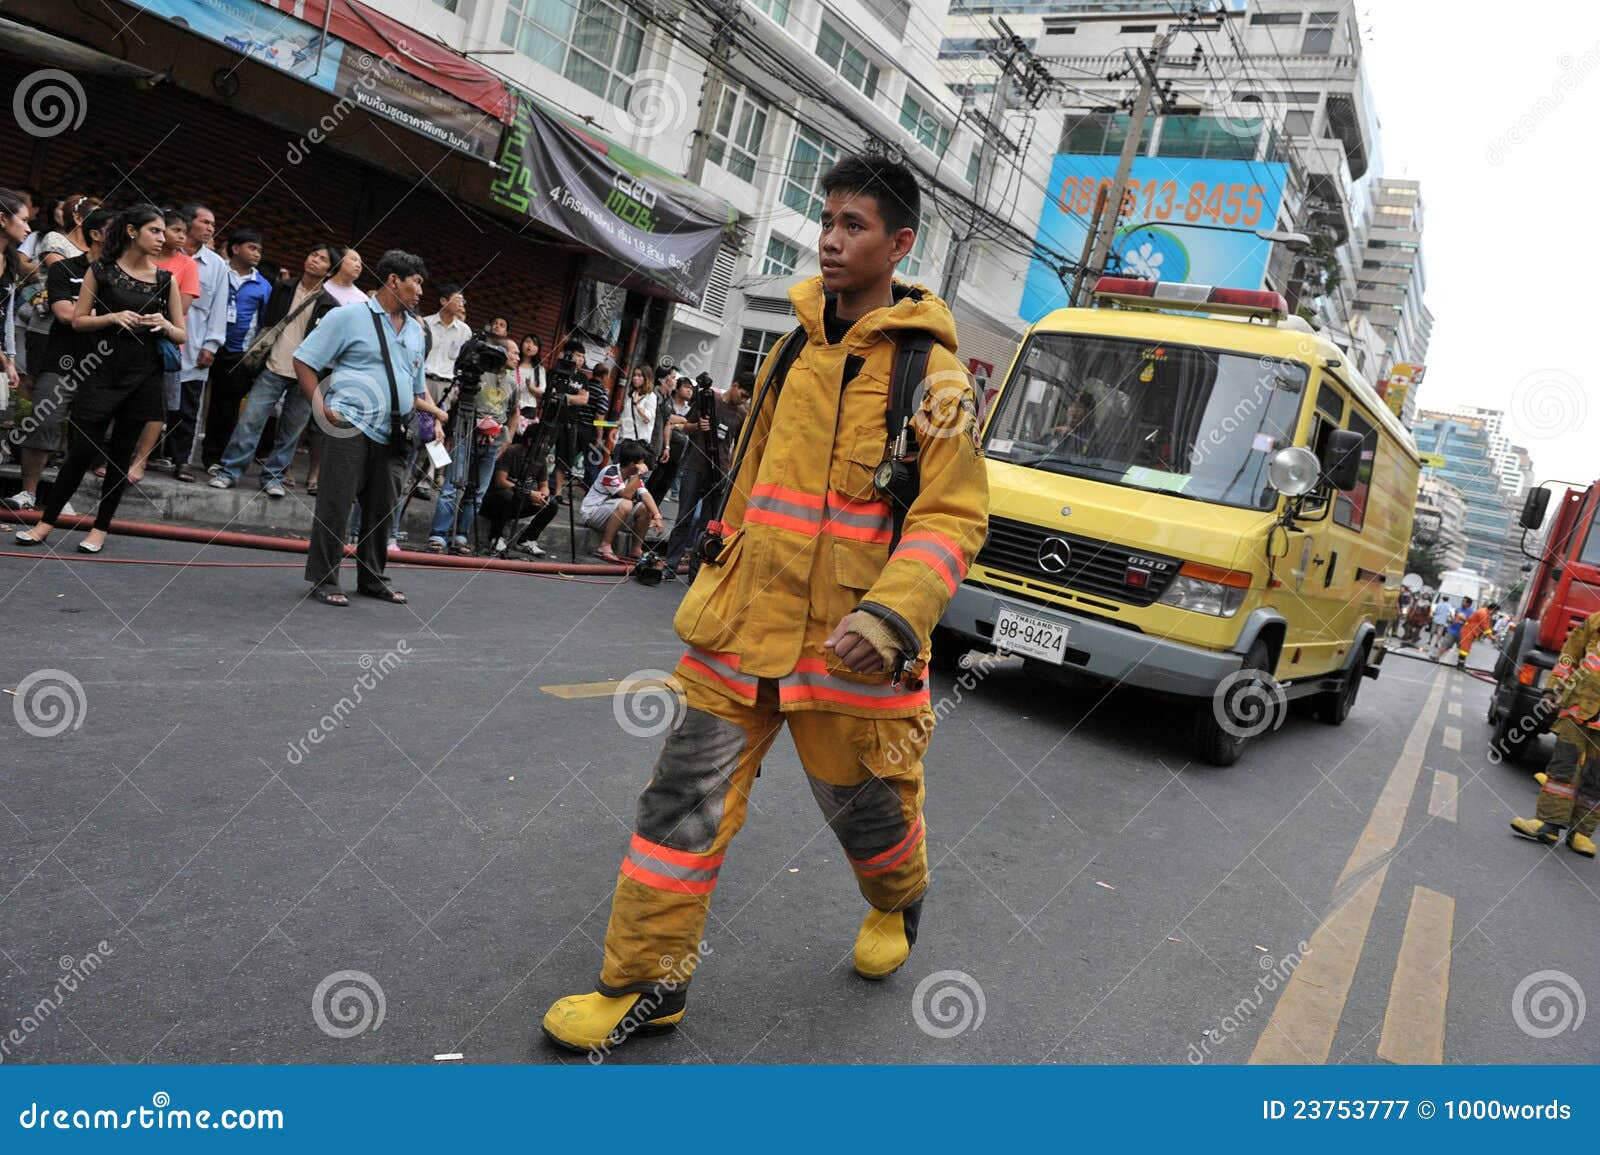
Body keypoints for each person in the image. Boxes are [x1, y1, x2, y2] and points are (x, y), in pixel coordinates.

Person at [542, 153, 989, 1052]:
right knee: (679, 807)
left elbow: (951, 516)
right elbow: (747, 490)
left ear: (899, 244)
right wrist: (709, 567)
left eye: (853, 225)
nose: (829, 239)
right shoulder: (788, 350)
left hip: (852, 651)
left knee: (869, 813)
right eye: (826, 220)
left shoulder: (934, 382)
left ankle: (899, 904)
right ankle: (645, 985)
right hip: (740, 632)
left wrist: (892, 614)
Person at [15, 204, 186, 555]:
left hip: (144, 375)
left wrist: (164, 325)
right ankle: (46, 522)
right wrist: (112, 317)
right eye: (155, 230)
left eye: (163, 231)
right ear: (132, 232)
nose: (162, 238)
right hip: (101, 370)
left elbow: (182, 334)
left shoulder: (166, 279)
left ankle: (100, 527)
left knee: (120, 456)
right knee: (81, 451)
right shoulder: (101, 270)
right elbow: (77, 321)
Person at [292, 249, 447, 607]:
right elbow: (304, 359)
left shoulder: (415, 331)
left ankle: (373, 578)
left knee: (383, 509)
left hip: (395, 431)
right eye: (416, 283)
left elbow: (416, 386)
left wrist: (432, 421)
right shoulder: (348, 316)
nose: (420, 291)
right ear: (393, 280)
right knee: (336, 503)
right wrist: (320, 405)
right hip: (350, 423)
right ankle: (325, 578)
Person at [3, 205, 113, 513]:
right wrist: (109, 314)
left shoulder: (121, 275)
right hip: (62, 359)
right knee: (44, 420)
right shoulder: (66, 269)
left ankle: (59, 497)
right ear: (95, 235)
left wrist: (90, 312)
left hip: (104, 364)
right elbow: (65, 314)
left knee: (85, 433)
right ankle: (28, 492)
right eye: (114, 230)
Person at [208, 242, 339, 497]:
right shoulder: (283, 288)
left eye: (321, 259)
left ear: (329, 271)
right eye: (313, 253)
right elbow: (267, 323)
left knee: (291, 431)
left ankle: (273, 477)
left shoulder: (330, 305)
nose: (314, 259)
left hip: (307, 375)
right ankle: (229, 472)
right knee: (250, 421)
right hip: (273, 366)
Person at [1511, 609, 1600, 858]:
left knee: (1596, 778)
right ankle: (1548, 825)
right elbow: (1570, 655)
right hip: (1578, 708)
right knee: (1563, 768)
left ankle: (1581, 833)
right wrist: (1553, 687)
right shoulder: (1595, 621)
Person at [426, 334, 519, 554]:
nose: (517, 356)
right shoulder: (478, 373)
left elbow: (513, 414)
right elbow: (457, 401)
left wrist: (507, 440)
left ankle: (461, 535)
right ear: (500, 353)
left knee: (477, 491)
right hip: (467, 433)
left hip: (494, 440)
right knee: (452, 486)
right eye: (513, 352)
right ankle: (438, 534)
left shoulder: (512, 382)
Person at [130, 206, 202, 480]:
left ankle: (141, 461)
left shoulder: (186, 265)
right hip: (126, 337)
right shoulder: (135, 258)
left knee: (157, 405)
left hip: (165, 343)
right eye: (175, 230)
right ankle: (111, 456)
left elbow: (179, 309)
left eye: (183, 231)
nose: (181, 236)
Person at [660, 369, 751, 581]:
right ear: (735, 386)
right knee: (684, 517)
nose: (744, 400)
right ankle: (670, 565)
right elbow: (684, 426)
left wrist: (731, 470)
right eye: (743, 395)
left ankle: (697, 573)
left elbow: (738, 445)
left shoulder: (742, 413)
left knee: (708, 524)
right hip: (694, 465)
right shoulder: (708, 400)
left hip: (719, 471)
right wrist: (697, 426)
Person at [202, 228, 271, 469]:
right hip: (204, 344)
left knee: (225, 407)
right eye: (252, 248)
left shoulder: (262, 285)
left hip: (236, 353)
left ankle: (213, 457)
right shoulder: (217, 271)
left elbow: (264, 322)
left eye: (260, 251)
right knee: (186, 399)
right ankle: (172, 453)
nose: (257, 254)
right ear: (235, 248)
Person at [167, 203, 228, 476]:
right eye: (205, 222)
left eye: (213, 225)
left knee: (188, 407)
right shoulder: (164, 252)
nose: (210, 228)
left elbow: (219, 307)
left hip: (195, 345)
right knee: (155, 401)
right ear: (188, 223)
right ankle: (152, 454)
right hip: (163, 340)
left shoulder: (216, 265)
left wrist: (211, 345)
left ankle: (180, 461)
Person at [482, 427, 561, 558]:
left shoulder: (540, 458)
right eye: (543, 442)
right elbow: (500, 481)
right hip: (496, 500)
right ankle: (496, 537)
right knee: (506, 496)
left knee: (552, 504)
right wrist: (528, 493)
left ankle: (527, 540)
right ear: (531, 441)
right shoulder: (513, 451)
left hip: (521, 499)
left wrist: (543, 495)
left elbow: (544, 484)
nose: (545, 446)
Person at [581, 439, 661, 564]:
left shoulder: (631, 477)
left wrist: (657, 516)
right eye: (641, 463)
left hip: (611, 514)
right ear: (632, 464)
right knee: (626, 503)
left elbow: (645, 495)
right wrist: (639, 475)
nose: (644, 466)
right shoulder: (610, 472)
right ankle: (605, 546)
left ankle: (636, 549)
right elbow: (626, 495)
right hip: (592, 514)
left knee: (645, 509)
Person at [616, 364, 657, 456]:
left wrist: (637, 405)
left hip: (636, 442)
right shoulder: (631, 394)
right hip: (622, 439)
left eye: (639, 376)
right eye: (634, 375)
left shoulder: (651, 396)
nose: (635, 378)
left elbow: (648, 418)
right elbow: (624, 418)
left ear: (646, 378)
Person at [512, 334, 546, 437]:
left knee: (520, 440)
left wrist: (530, 387)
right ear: (522, 343)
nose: (530, 345)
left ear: (538, 349)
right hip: (510, 405)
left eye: (534, 344)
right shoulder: (513, 362)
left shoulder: (538, 369)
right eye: (527, 341)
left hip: (528, 409)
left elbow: (541, 390)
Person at [1456, 599, 1495, 668]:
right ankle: (1460, 665)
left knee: (1465, 649)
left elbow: (1486, 625)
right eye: (1495, 612)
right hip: (1469, 631)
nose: (1495, 614)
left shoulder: (1485, 612)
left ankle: (1460, 664)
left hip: (1471, 631)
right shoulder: (1483, 613)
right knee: (1464, 649)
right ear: (1492, 609)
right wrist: (1491, 636)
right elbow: (1485, 626)